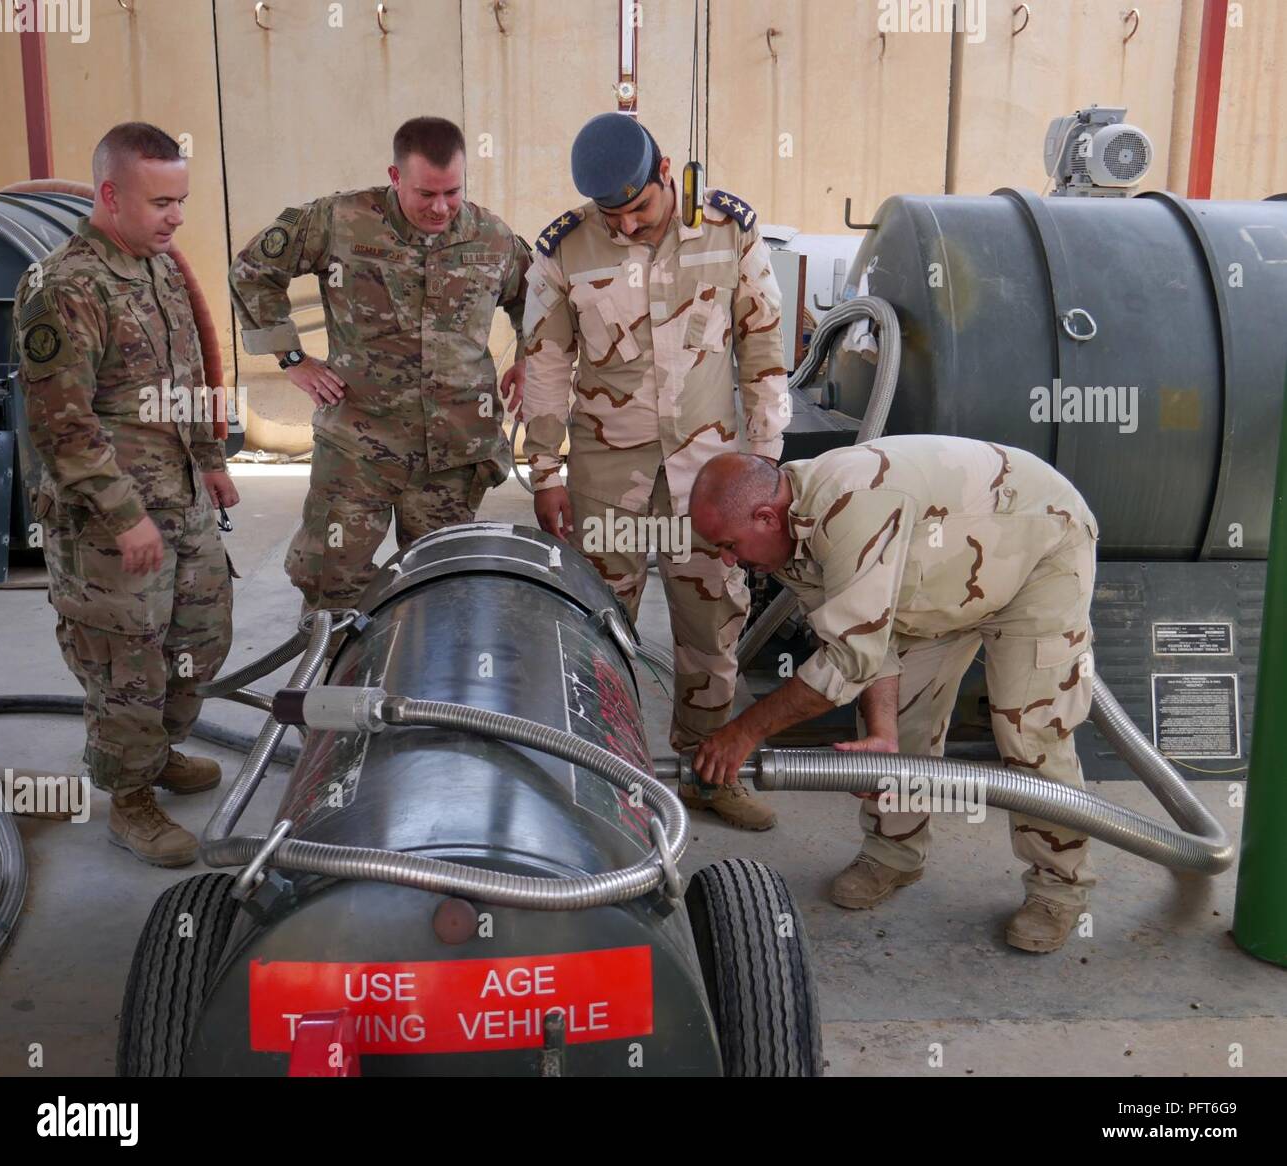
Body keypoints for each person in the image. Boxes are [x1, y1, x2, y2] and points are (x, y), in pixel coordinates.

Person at [688, 436, 1099, 952]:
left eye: (728, 545)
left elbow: (846, 659)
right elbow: (866, 651)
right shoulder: (788, 545)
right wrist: (882, 734)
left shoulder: (851, 503)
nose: (729, 561)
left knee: (1030, 731)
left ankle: (1059, 888)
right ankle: (895, 852)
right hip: (943, 581)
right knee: (900, 726)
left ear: (767, 518)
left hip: (1037, 556)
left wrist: (742, 733)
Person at [521, 112, 790, 830]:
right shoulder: (565, 249)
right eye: (615, 214)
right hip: (608, 477)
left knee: (712, 625)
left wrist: (765, 464)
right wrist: (545, 473)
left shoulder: (729, 229)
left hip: (711, 476)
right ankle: (601, 778)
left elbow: (763, 347)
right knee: (599, 628)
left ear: (665, 170)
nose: (629, 225)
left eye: (640, 207)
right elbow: (545, 366)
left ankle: (707, 771)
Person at [12, 122, 237, 867]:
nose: (177, 217)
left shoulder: (159, 268)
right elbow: (61, 424)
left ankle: (159, 753)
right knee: (127, 667)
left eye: (182, 200)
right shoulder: (63, 287)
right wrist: (125, 514)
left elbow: (192, 378)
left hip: (180, 501)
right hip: (112, 528)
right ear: (109, 195)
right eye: (161, 201)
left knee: (198, 644)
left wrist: (208, 459)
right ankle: (130, 801)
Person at [229, 117, 531, 611]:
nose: (440, 207)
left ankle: (426, 685)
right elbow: (252, 271)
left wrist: (526, 358)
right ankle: (328, 682)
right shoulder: (339, 220)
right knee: (330, 581)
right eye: (425, 193)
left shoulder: (491, 236)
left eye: (452, 192)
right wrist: (291, 358)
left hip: (452, 456)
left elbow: (537, 299)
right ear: (395, 176)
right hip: (357, 448)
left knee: (440, 587)